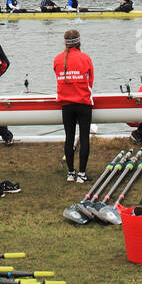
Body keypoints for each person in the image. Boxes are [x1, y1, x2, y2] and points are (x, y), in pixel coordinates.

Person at [54, 29, 94, 182]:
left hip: (66, 104)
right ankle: (82, 175)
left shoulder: (57, 59)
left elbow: (59, 79)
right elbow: (90, 81)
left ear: (65, 43)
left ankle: (70, 173)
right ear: (79, 42)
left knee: (69, 137)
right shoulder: (85, 58)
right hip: (83, 103)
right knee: (84, 138)